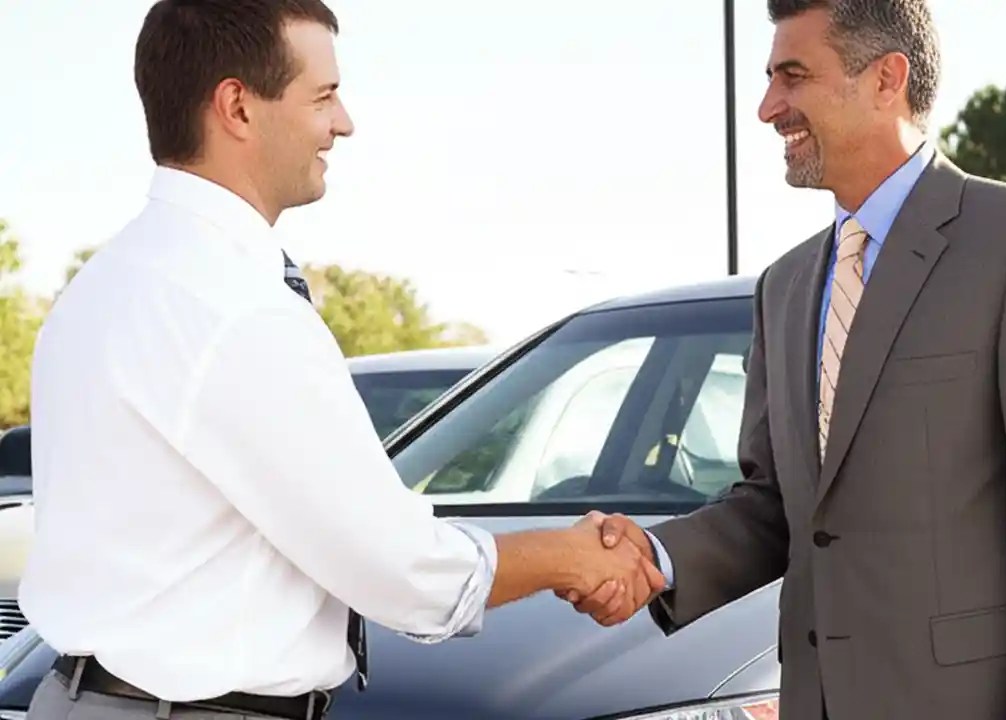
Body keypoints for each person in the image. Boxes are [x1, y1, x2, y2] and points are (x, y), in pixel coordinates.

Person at [22, 2, 659, 719]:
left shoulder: (101, 288)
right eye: (322, 95)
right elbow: (397, 567)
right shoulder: (234, 306)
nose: (344, 122)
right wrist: (565, 556)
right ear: (237, 106)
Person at [563, 1, 1006, 718]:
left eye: (793, 77)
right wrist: (656, 556)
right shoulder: (785, 286)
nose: (768, 107)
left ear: (886, 79)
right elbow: (776, 506)